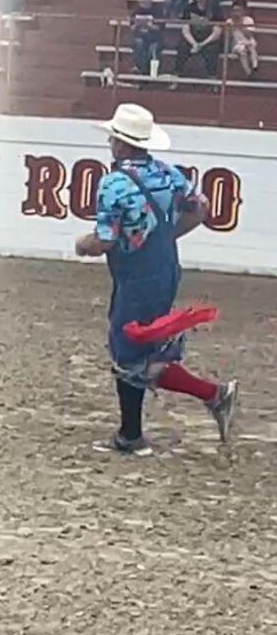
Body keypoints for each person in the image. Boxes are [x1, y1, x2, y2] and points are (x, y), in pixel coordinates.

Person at [73, 104, 235, 455]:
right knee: (142, 350)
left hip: (136, 277)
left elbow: (104, 241)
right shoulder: (168, 173)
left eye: (113, 138)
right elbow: (200, 208)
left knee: (129, 353)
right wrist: (166, 237)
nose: (110, 144)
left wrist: (82, 245)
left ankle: (135, 434)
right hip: (165, 268)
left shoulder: (113, 183)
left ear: (121, 143)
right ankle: (207, 398)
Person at [128, 3, 164, 78]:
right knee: (139, 44)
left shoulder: (157, 12)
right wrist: (137, 25)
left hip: (154, 38)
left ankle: (148, 71)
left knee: (153, 48)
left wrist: (150, 26)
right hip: (140, 37)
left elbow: (160, 28)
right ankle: (141, 69)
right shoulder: (135, 12)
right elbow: (132, 28)